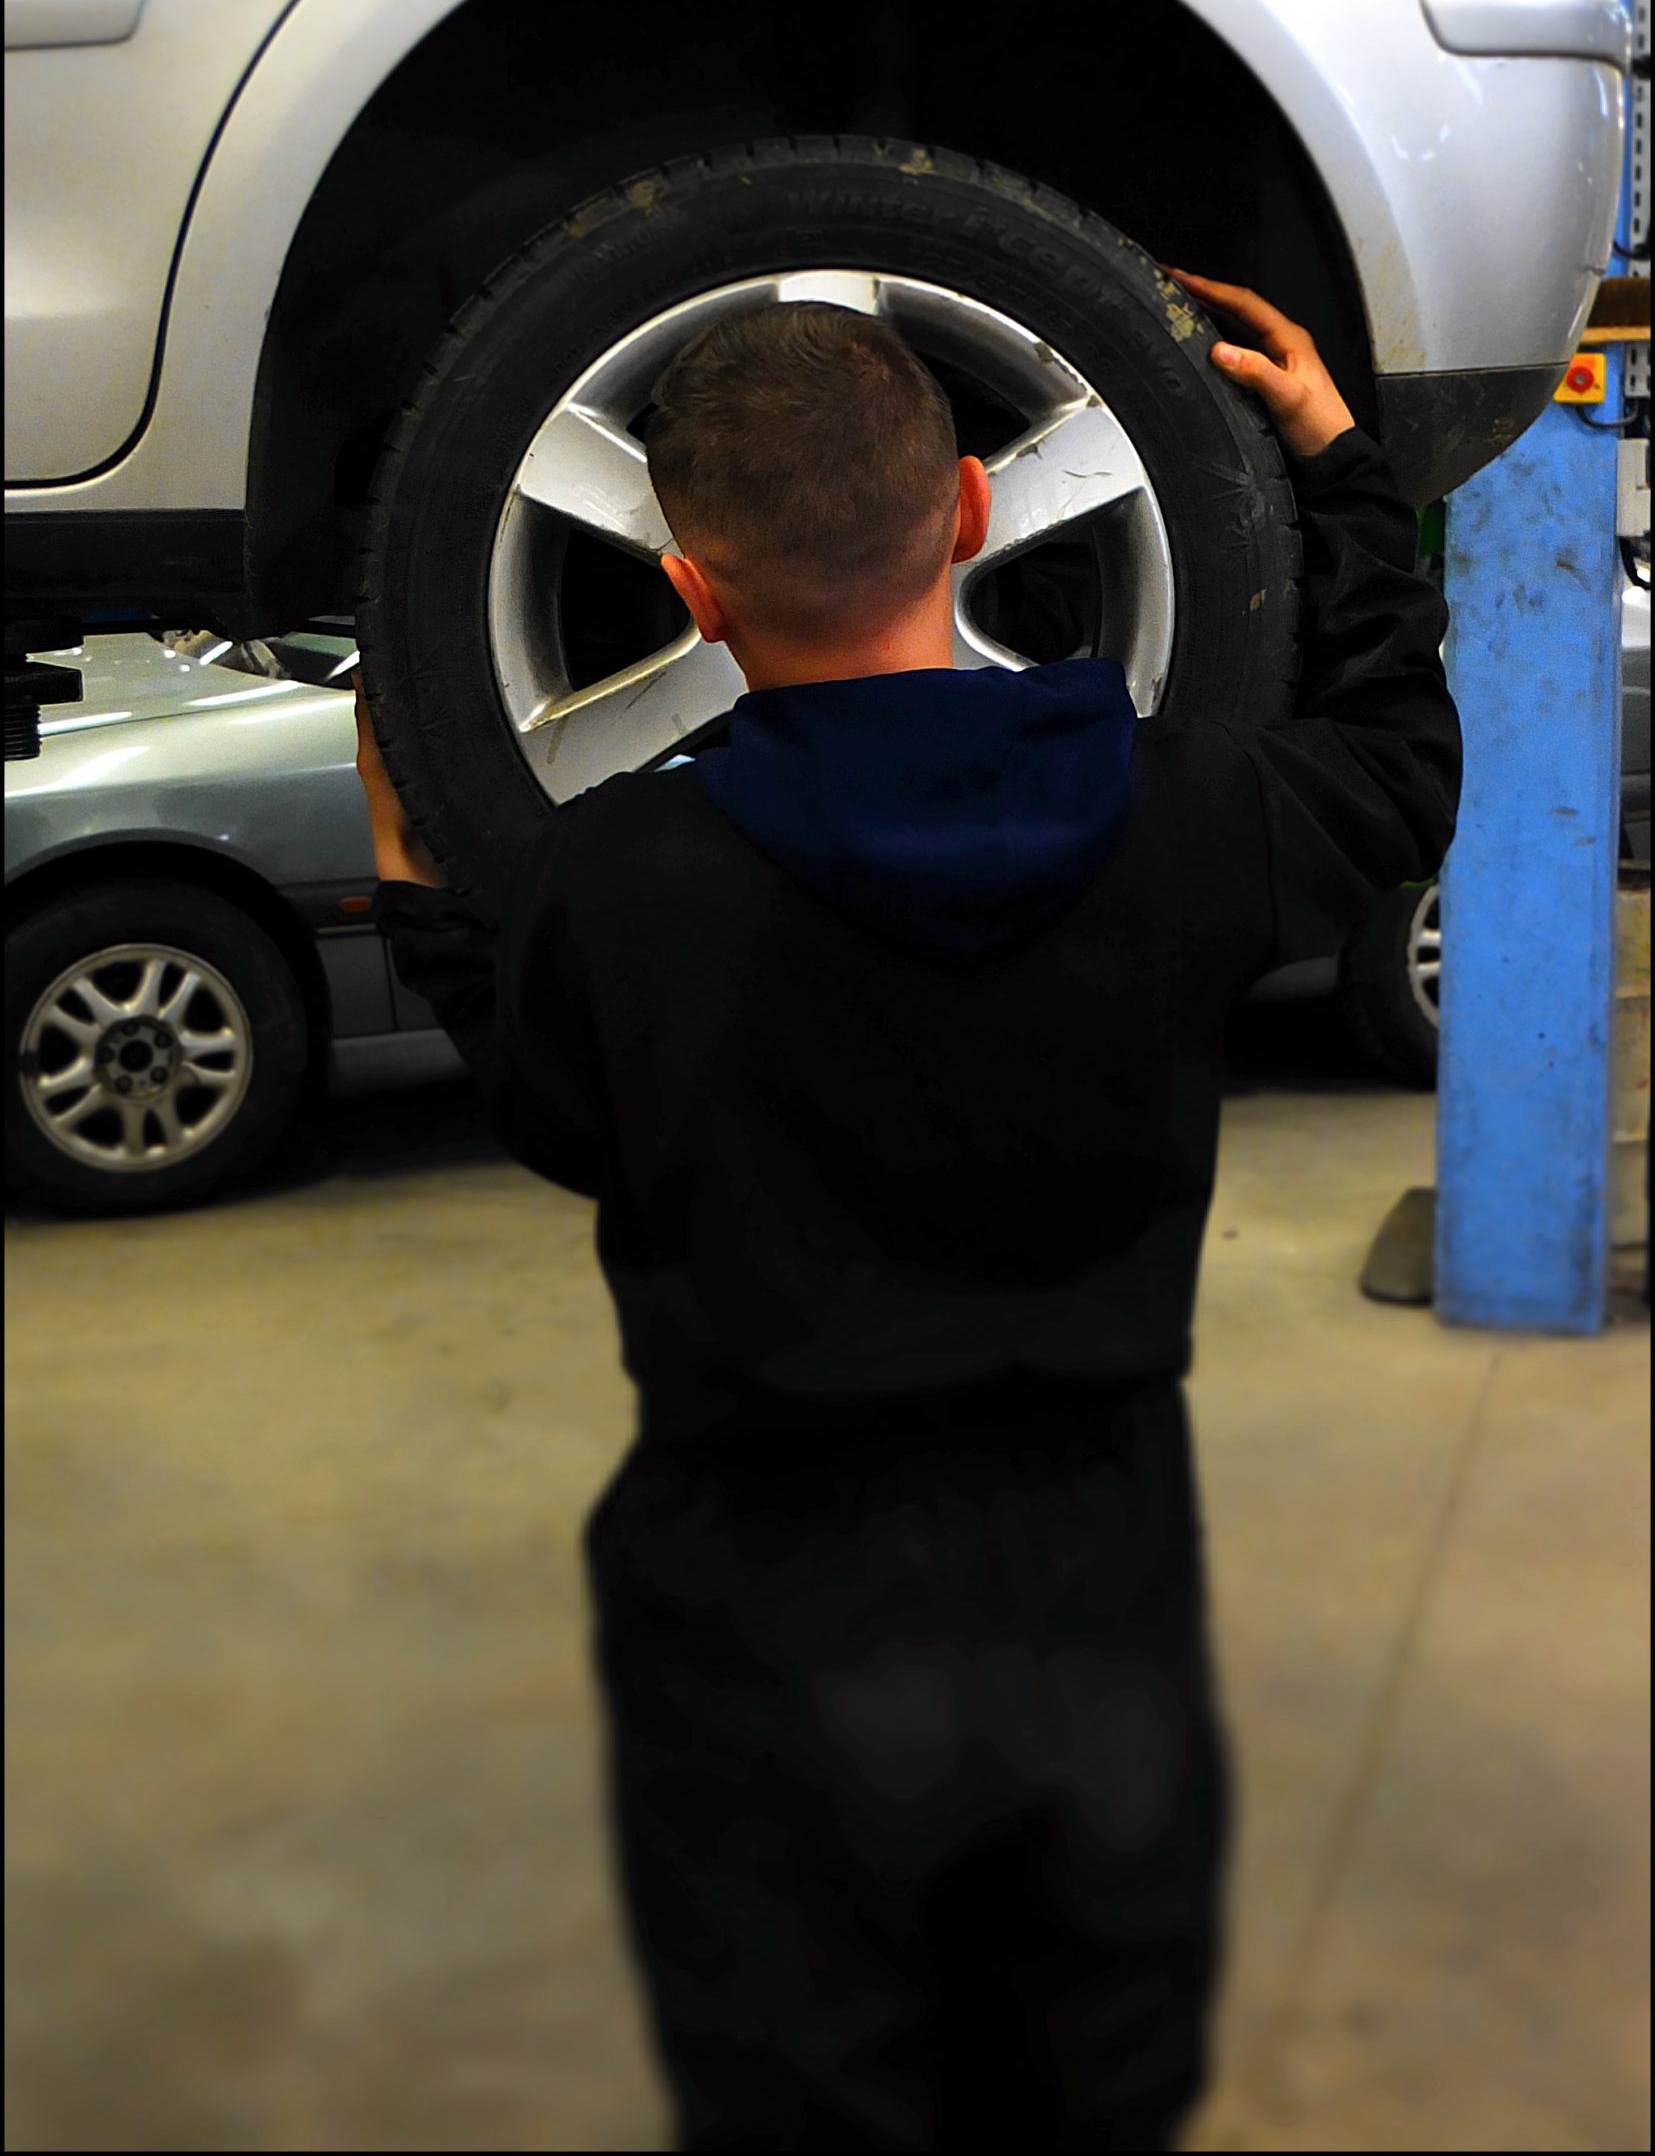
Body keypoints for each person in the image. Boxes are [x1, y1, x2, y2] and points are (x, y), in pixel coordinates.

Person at [354, 270, 1461, 2152]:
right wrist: (1342, 471)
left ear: (692, 590)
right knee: (1087, 2095)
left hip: (758, 1590)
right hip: (1092, 1571)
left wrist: (421, 889)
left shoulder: (620, 885)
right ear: (965, 513)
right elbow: (1397, 769)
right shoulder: (1173, 812)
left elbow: (564, 1119)